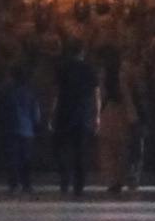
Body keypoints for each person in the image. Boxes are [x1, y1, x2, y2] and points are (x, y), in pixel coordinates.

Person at [54, 45, 97, 193]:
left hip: (65, 113)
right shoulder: (89, 69)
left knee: (64, 149)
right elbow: (96, 93)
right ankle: (79, 184)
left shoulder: (62, 69)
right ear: (82, 52)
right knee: (81, 151)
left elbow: (56, 92)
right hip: (83, 114)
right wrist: (97, 114)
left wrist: (52, 112)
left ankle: (65, 180)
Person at [93, 63, 134, 195]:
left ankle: (112, 180)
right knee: (121, 150)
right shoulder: (123, 78)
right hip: (121, 114)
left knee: (107, 151)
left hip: (107, 114)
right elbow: (127, 98)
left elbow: (99, 97)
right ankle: (119, 179)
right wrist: (132, 117)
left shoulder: (103, 78)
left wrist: (96, 117)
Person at [2, 66, 44, 193]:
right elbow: (35, 112)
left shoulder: (8, 93)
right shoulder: (30, 94)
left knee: (13, 158)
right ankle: (27, 184)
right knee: (26, 158)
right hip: (27, 130)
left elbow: (3, 111)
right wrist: (36, 124)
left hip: (11, 128)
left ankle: (14, 184)